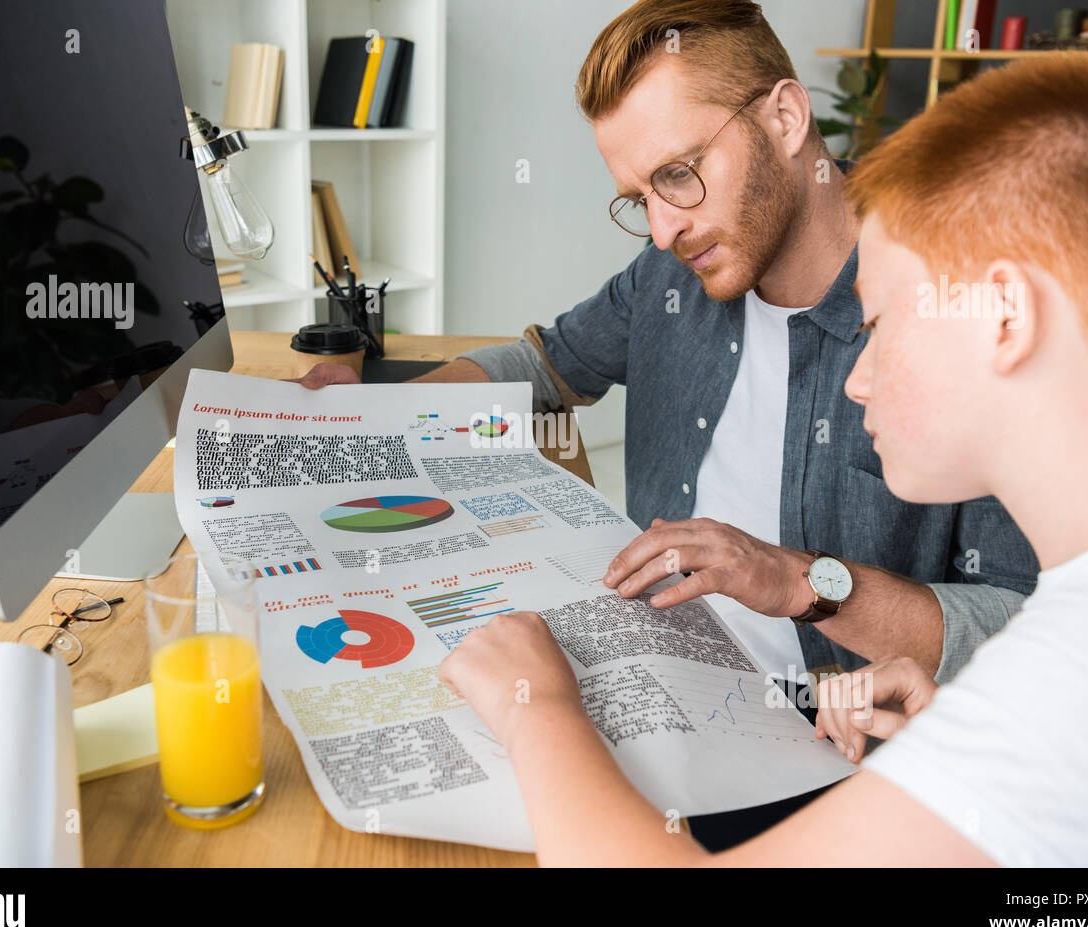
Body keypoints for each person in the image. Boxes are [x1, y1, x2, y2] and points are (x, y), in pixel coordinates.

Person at [297, 0, 1037, 846]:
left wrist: (802, 580)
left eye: (680, 173)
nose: (664, 225)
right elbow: (542, 368)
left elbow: (1019, 624)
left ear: (786, 117)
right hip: (653, 691)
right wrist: (373, 411)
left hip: (829, 750)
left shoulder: (943, 310)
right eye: (639, 195)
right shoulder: (670, 274)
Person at [435, 51, 1088, 866]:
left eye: (880, 325)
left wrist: (533, 704)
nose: (856, 378)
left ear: (1004, 315)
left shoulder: (1080, 671)